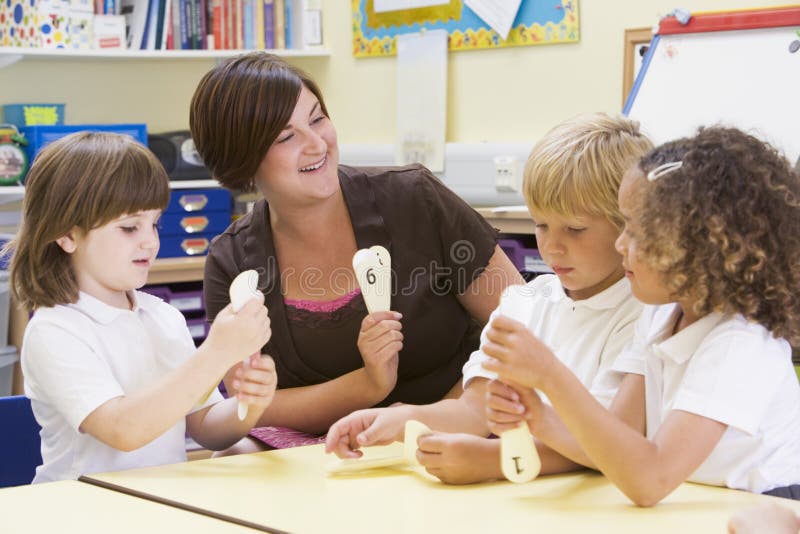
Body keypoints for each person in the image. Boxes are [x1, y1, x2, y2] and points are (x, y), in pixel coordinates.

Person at [189, 52, 523, 452]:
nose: (317, 144)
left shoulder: (414, 199)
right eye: (285, 137)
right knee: (231, 456)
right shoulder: (232, 263)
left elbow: (525, 322)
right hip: (319, 449)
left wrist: (429, 420)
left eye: (317, 119)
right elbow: (254, 404)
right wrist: (366, 387)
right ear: (243, 162)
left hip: (452, 428)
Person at [325, 112, 653, 484]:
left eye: (575, 229)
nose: (552, 246)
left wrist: (496, 461)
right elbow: (474, 409)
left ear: (629, 226)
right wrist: (401, 420)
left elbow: (614, 444)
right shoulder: (523, 303)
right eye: (541, 225)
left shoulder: (643, 315)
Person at [486, 126, 800, 506]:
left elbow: (650, 480)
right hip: (694, 503)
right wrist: (539, 417)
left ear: (696, 247)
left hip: (766, 507)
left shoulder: (739, 343)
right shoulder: (659, 317)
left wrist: (550, 375)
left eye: (635, 232)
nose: (620, 244)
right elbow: (615, 443)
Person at [7, 132, 276, 482]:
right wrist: (216, 353)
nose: (150, 241)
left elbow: (204, 427)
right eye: (130, 227)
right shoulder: (55, 331)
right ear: (68, 235)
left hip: (158, 504)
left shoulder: (164, 317)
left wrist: (248, 406)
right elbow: (123, 430)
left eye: (155, 224)